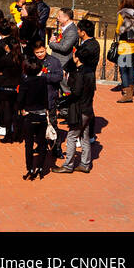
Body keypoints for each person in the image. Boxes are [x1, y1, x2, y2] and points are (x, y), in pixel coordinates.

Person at [54, 22, 96, 174]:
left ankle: (68, 165)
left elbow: (76, 93)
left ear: (77, 58)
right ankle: (85, 163)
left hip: (79, 109)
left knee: (72, 136)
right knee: (84, 136)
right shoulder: (90, 72)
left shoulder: (79, 74)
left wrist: (61, 102)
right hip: (88, 108)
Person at [17, 49, 52, 180]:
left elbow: (20, 99)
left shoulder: (25, 82)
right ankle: (41, 167)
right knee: (42, 142)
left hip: (29, 115)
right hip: (42, 114)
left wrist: (21, 109)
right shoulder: (43, 81)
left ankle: (30, 167)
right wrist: (47, 111)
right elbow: (45, 97)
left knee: (29, 143)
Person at [0, 19, 22, 143]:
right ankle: (17, 132)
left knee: (6, 108)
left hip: (4, 81)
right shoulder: (16, 42)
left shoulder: (2, 44)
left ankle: (8, 134)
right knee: (15, 109)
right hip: (16, 81)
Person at [115, 0, 134, 103]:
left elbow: (119, 29)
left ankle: (127, 94)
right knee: (130, 67)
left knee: (122, 68)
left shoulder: (122, 13)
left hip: (125, 45)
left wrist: (119, 31)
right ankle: (131, 88)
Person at [46, 5, 79, 85]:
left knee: (63, 85)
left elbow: (64, 47)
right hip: (58, 60)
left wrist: (51, 44)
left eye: (59, 16)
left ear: (66, 18)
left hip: (63, 62)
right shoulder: (64, 28)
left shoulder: (71, 31)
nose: (57, 18)